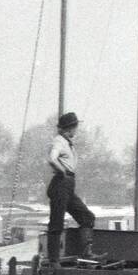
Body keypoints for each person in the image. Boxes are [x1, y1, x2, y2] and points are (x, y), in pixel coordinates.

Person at [45, 111, 97, 263]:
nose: (76, 130)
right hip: (61, 183)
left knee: (87, 217)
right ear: (70, 128)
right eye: (75, 127)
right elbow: (52, 159)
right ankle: (54, 259)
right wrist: (62, 171)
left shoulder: (66, 143)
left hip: (67, 185)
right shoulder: (59, 141)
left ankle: (86, 254)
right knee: (57, 221)